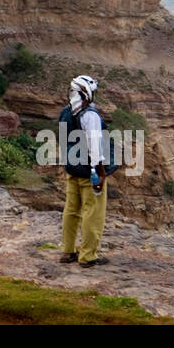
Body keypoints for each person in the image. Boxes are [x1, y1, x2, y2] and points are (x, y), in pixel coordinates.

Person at [59, 74, 111, 268]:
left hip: (72, 169)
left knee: (71, 210)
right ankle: (88, 256)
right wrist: (100, 174)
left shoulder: (66, 112)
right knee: (93, 213)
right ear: (86, 93)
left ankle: (67, 251)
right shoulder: (90, 116)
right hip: (90, 173)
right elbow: (95, 149)